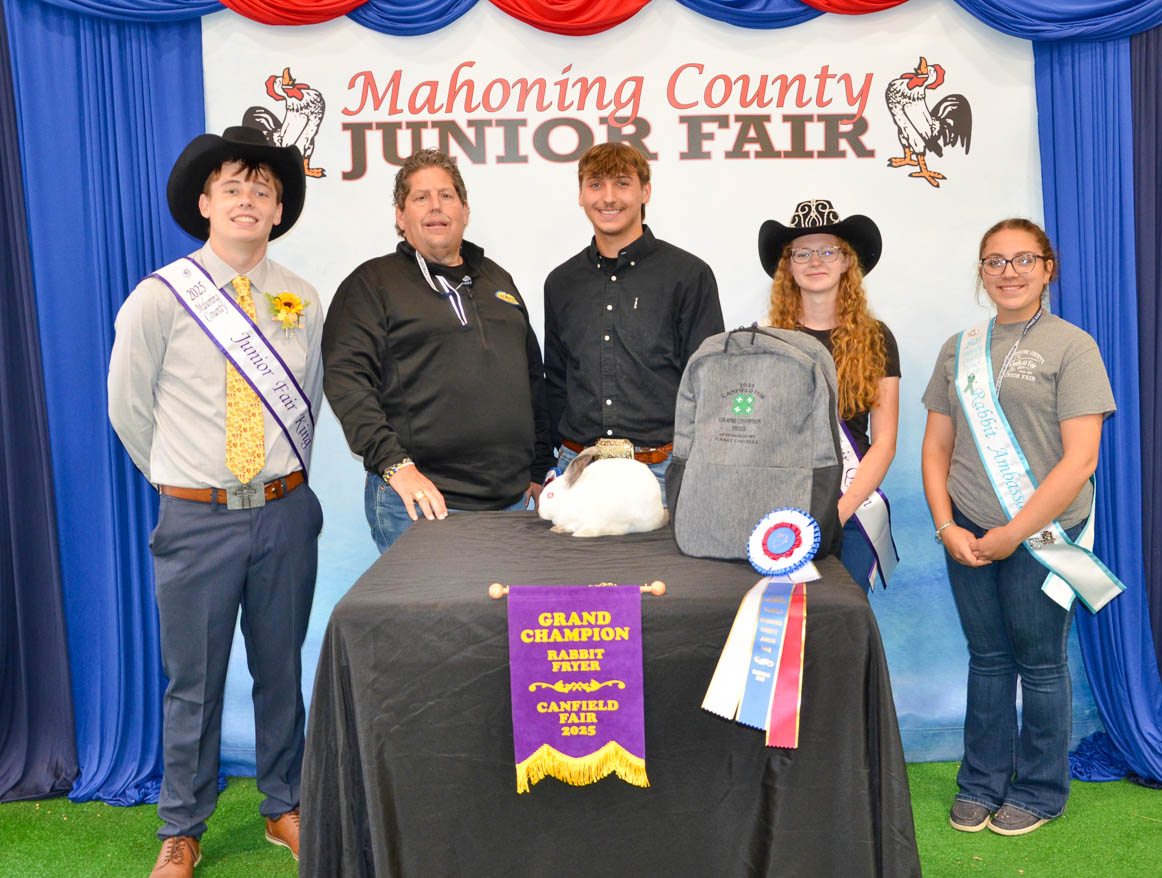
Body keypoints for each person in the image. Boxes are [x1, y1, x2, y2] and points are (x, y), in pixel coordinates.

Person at [108, 126, 323, 877]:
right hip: (196, 517)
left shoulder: (303, 297)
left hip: (287, 512)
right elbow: (128, 414)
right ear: (205, 203)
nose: (247, 199)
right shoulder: (158, 299)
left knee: (280, 669)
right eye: (232, 186)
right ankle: (182, 826)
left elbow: (312, 402)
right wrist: (188, 481)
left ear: (277, 209)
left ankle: (284, 804)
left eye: (262, 189)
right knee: (193, 682)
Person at [921, 218, 1116, 836]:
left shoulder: (1073, 345)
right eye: (995, 261)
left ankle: (1038, 789)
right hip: (969, 528)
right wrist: (946, 524)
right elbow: (936, 448)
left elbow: (1081, 458)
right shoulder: (959, 346)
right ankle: (980, 781)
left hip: (1044, 532)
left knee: (1039, 662)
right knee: (987, 658)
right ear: (981, 273)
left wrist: (1013, 533)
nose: (1009, 272)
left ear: (1047, 268)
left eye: (1023, 260)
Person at [323, 148, 553, 552]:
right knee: (431, 618)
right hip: (422, 502)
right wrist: (395, 466)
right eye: (420, 197)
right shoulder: (371, 284)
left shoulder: (497, 279)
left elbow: (531, 377)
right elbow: (347, 381)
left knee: (503, 616)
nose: (435, 206)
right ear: (400, 216)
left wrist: (538, 465)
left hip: (514, 503)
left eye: (446, 196)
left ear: (464, 209)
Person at [543, 142, 723, 497]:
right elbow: (557, 382)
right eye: (596, 184)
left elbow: (709, 382)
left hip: (662, 471)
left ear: (645, 191)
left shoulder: (688, 275)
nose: (608, 197)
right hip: (577, 470)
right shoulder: (561, 283)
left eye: (622, 183)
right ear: (581, 195)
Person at [758, 199, 899, 593]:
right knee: (783, 624)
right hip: (783, 513)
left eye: (828, 250)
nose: (814, 260)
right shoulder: (766, 341)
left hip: (851, 508)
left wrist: (839, 512)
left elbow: (885, 442)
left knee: (845, 626)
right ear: (787, 266)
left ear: (846, 262)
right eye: (801, 252)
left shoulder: (877, 338)